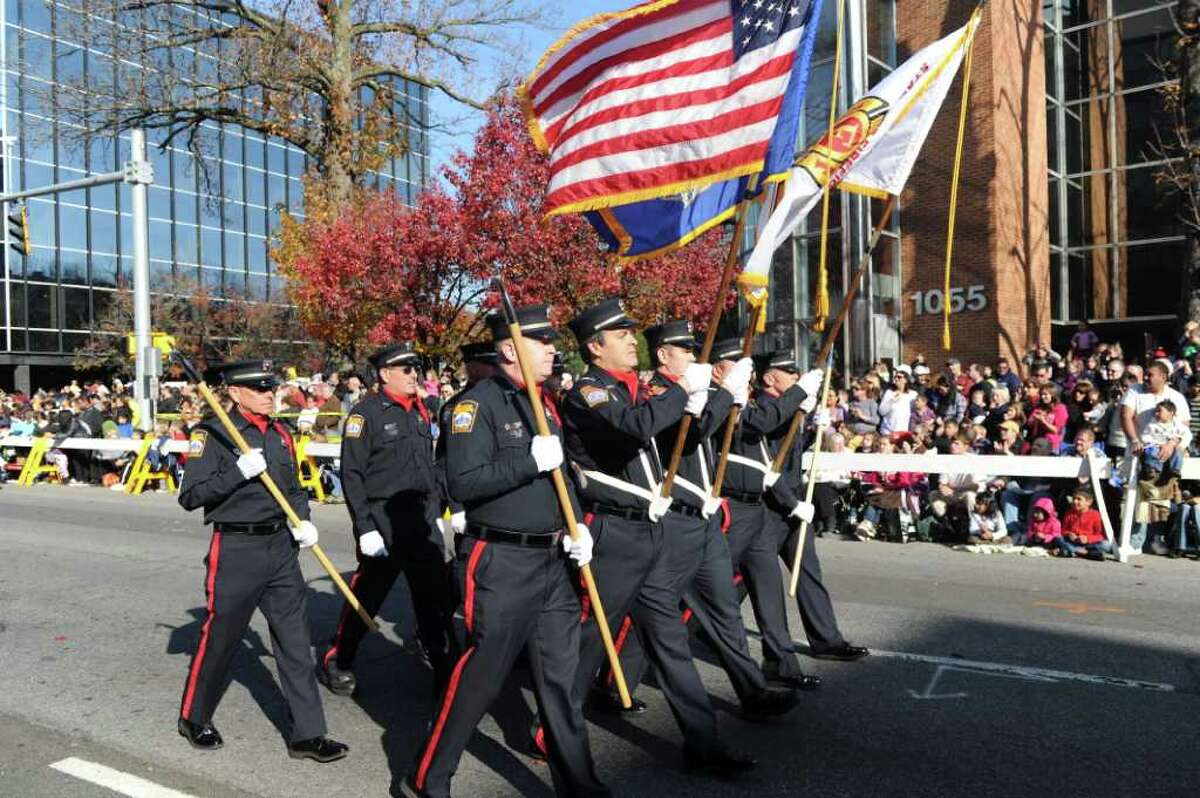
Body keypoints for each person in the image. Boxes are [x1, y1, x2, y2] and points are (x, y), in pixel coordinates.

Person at [401, 305, 608, 798]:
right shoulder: (479, 405)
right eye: (542, 341)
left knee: (560, 678)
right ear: (511, 350)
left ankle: (578, 782)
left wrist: (577, 526)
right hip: (502, 560)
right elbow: (462, 482)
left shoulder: (544, 403)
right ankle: (427, 777)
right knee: (482, 677)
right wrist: (527, 462)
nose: (553, 348)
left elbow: (562, 482)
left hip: (552, 560)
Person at [561, 298, 758, 778]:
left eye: (632, 332)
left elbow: (677, 436)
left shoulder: (632, 388)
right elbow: (637, 428)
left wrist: (719, 395)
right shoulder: (590, 392)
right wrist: (684, 392)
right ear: (594, 347)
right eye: (622, 335)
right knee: (589, 640)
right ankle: (552, 730)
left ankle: (703, 743)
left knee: (668, 638)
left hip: (647, 532)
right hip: (609, 535)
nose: (633, 340)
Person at [597, 321, 800, 718]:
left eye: (694, 349)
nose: (694, 356)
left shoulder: (691, 391)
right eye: (686, 350)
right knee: (657, 615)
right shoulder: (654, 393)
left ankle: (752, 692)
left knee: (724, 609)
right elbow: (689, 435)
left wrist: (727, 395)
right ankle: (613, 682)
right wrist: (724, 394)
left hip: (704, 519)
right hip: (671, 518)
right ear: (663, 355)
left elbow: (710, 428)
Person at [176, 359, 347, 762]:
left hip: (281, 548)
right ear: (234, 393)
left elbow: (294, 487)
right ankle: (194, 716)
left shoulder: (281, 433)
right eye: (260, 389)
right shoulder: (213, 433)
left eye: (272, 388)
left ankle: (308, 733)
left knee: (294, 641)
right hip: (238, 549)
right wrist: (237, 472)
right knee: (221, 639)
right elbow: (190, 496)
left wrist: (304, 521)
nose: (271, 394)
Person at [320, 342, 459, 700]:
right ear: (385, 374)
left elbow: (428, 466)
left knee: (434, 598)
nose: (415, 374)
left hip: (421, 517)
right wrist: (365, 527)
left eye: (416, 368)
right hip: (383, 521)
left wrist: (447, 506)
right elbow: (351, 474)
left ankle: (445, 670)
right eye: (406, 369)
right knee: (368, 596)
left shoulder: (421, 412)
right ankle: (340, 657)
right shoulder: (366, 415)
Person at [756, 349, 870, 661]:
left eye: (796, 372)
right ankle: (692, 631)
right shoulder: (761, 410)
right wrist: (791, 503)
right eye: (788, 372)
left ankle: (827, 640)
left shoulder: (788, 409)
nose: (796, 377)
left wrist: (808, 430)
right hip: (768, 507)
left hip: (793, 502)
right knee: (742, 582)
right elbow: (767, 465)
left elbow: (791, 456)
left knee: (808, 572)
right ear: (769, 378)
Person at [1054, 489, 1109, 560]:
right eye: (1074, 499)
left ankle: (1074, 551)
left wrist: (1087, 538)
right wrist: (1069, 534)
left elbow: (1100, 535)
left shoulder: (1095, 515)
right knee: (1058, 539)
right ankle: (1086, 554)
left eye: (1079, 499)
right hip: (1073, 542)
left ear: (1089, 502)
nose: (1075, 501)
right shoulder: (1069, 513)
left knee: (1106, 544)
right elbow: (1063, 531)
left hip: (1089, 544)